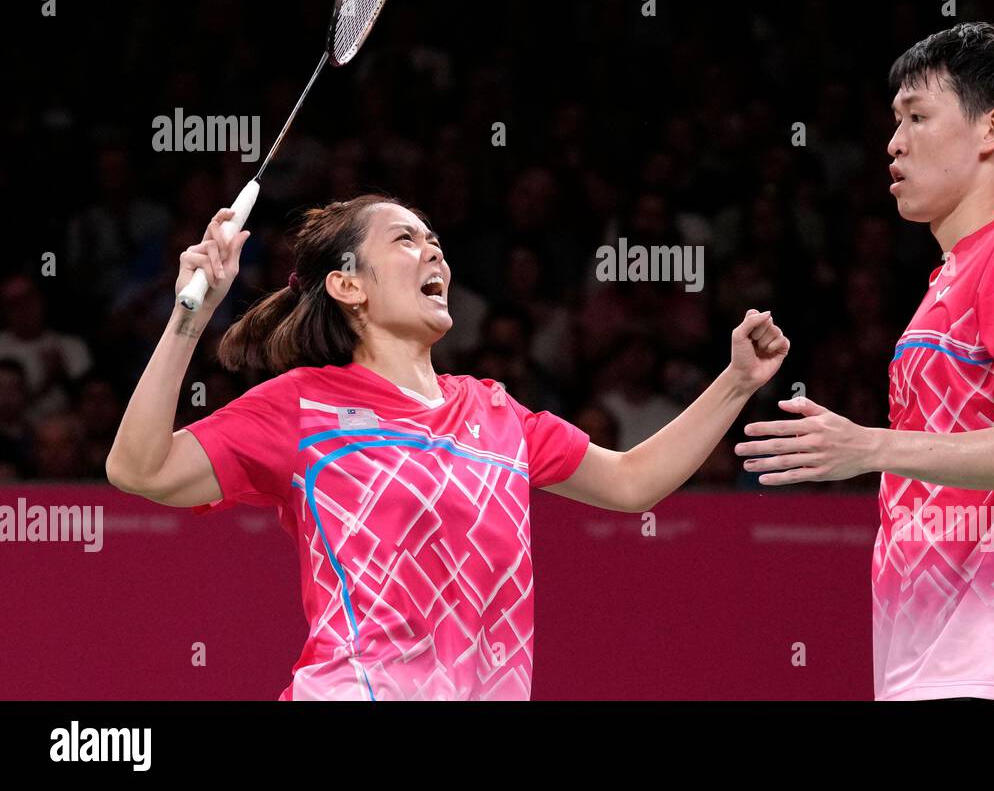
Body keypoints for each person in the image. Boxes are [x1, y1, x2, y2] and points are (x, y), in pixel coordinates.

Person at [107, 193, 788, 700]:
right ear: (348, 284)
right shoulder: (304, 407)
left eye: (435, 241)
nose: (434, 252)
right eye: (405, 240)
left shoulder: (497, 414)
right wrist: (190, 314)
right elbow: (139, 468)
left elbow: (632, 481)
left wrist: (736, 381)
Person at [738, 22, 994, 701]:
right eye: (895, 120)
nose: (894, 142)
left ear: (993, 129)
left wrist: (869, 446)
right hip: (924, 659)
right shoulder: (951, 276)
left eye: (917, 116)